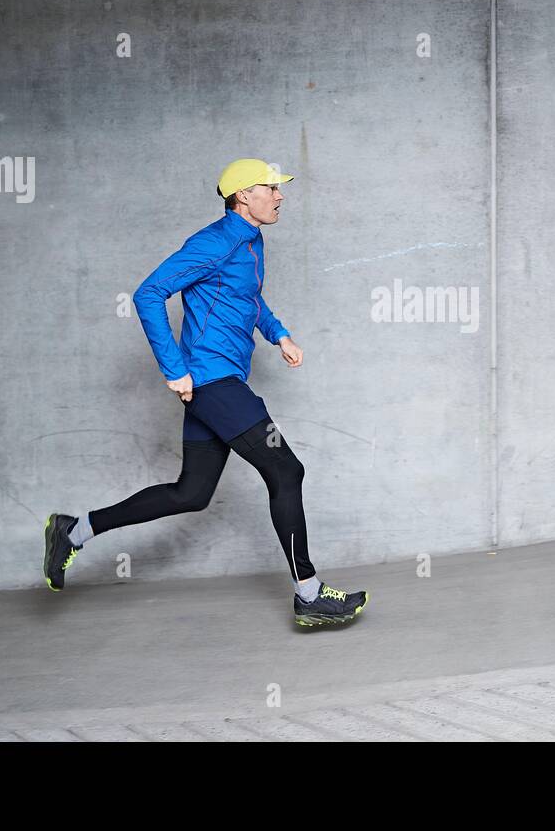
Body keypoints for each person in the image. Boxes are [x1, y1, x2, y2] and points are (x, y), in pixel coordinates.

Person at [42, 158, 369, 627]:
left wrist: (279, 335)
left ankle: (74, 531)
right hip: (211, 381)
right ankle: (309, 594)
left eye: (278, 189)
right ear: (242, 197)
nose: (279, 196)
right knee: (287, 470)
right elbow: (149, 293)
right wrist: (174, 368)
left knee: (191, 492)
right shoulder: (212, 243)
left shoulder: (253, 241)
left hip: (221, 382)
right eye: (269, 189)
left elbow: (248, 298)